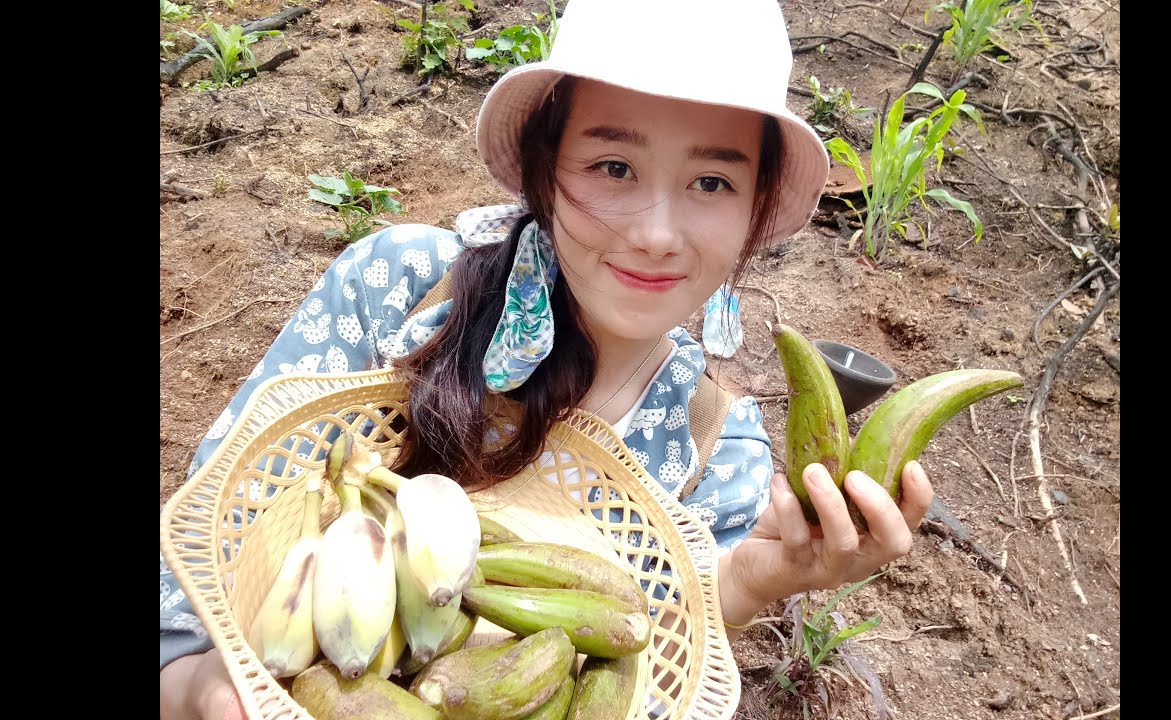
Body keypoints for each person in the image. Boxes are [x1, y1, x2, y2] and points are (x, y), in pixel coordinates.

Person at [158, 0, 935, 717]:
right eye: (614, 167)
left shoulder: (715, 455)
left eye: (711, 180)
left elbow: (637, 673)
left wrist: (740, 587)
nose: (658, 233)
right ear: (544, 166)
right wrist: (200, 690)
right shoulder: (395, 293)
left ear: (755, 208)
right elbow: (185, 608)